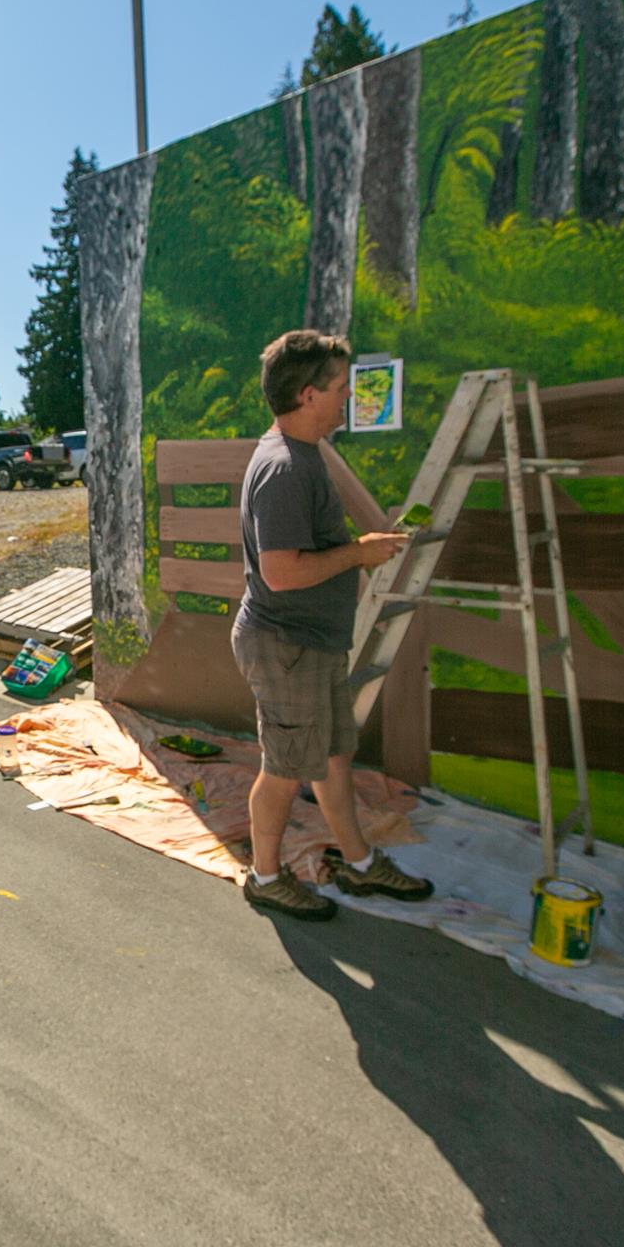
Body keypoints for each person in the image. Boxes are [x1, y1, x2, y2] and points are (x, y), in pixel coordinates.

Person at [233, 330, 434, 920]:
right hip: (286, 645)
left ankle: (361, 864)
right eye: (341, 387)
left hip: (310, 642)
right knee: (284, 769)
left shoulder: (303, 455)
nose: (348, 396)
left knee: (331, 758)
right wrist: (358, 553)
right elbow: (280, 573)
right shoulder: (284, 468)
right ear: (307, 394)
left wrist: (358, 551)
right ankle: (265, 878)